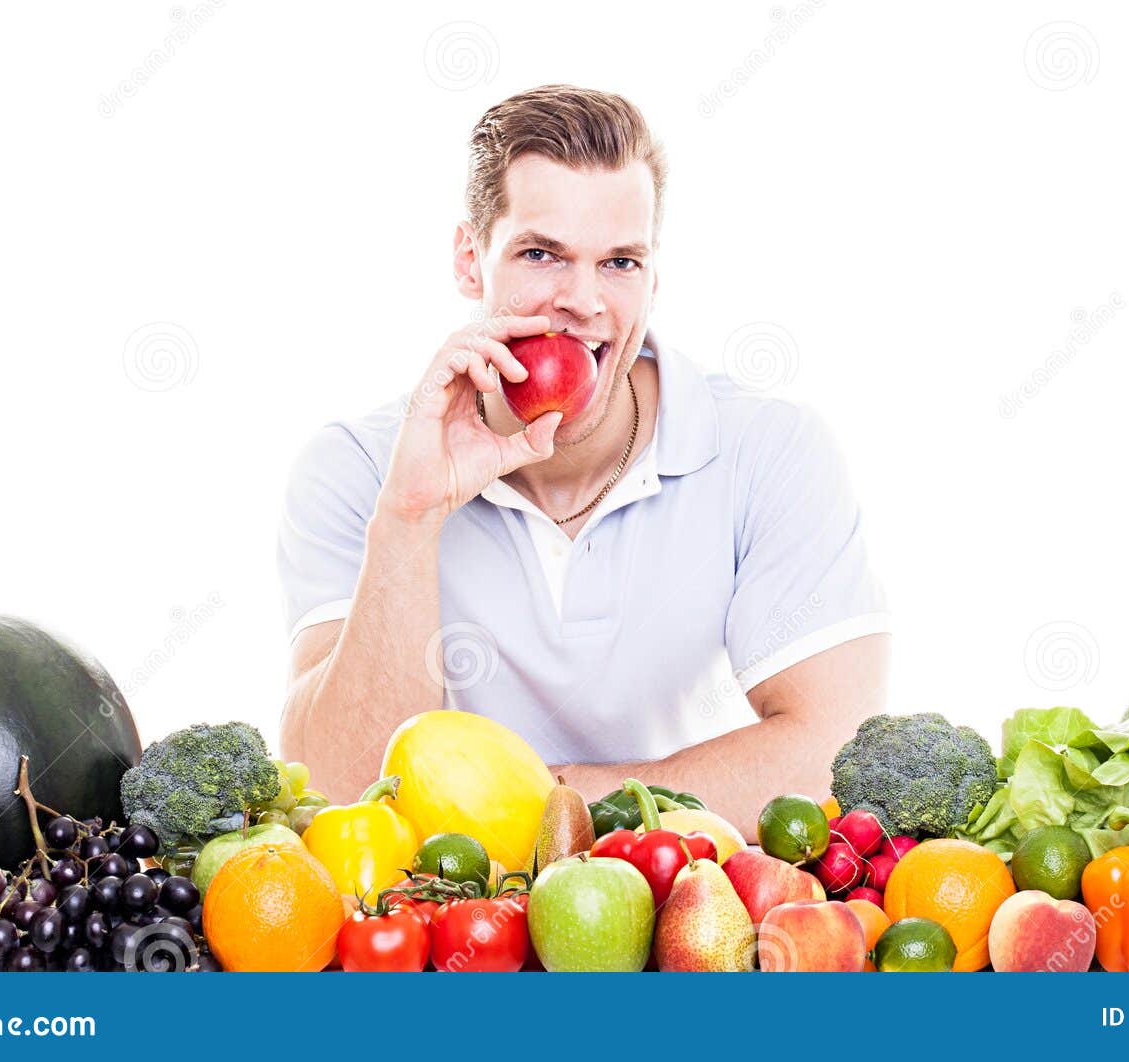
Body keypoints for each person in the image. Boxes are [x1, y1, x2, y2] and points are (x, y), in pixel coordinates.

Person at [278, 85, 889, 832]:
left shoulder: (770, 451)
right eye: (543, 255)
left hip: (695, 906)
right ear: (471, 261)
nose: (584, 300)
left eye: (620, 263)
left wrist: (564, 805)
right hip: (442, 920)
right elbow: (338, 794)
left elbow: (833, 754)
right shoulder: (355, 471)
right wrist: (409, 516)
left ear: (654, 276)